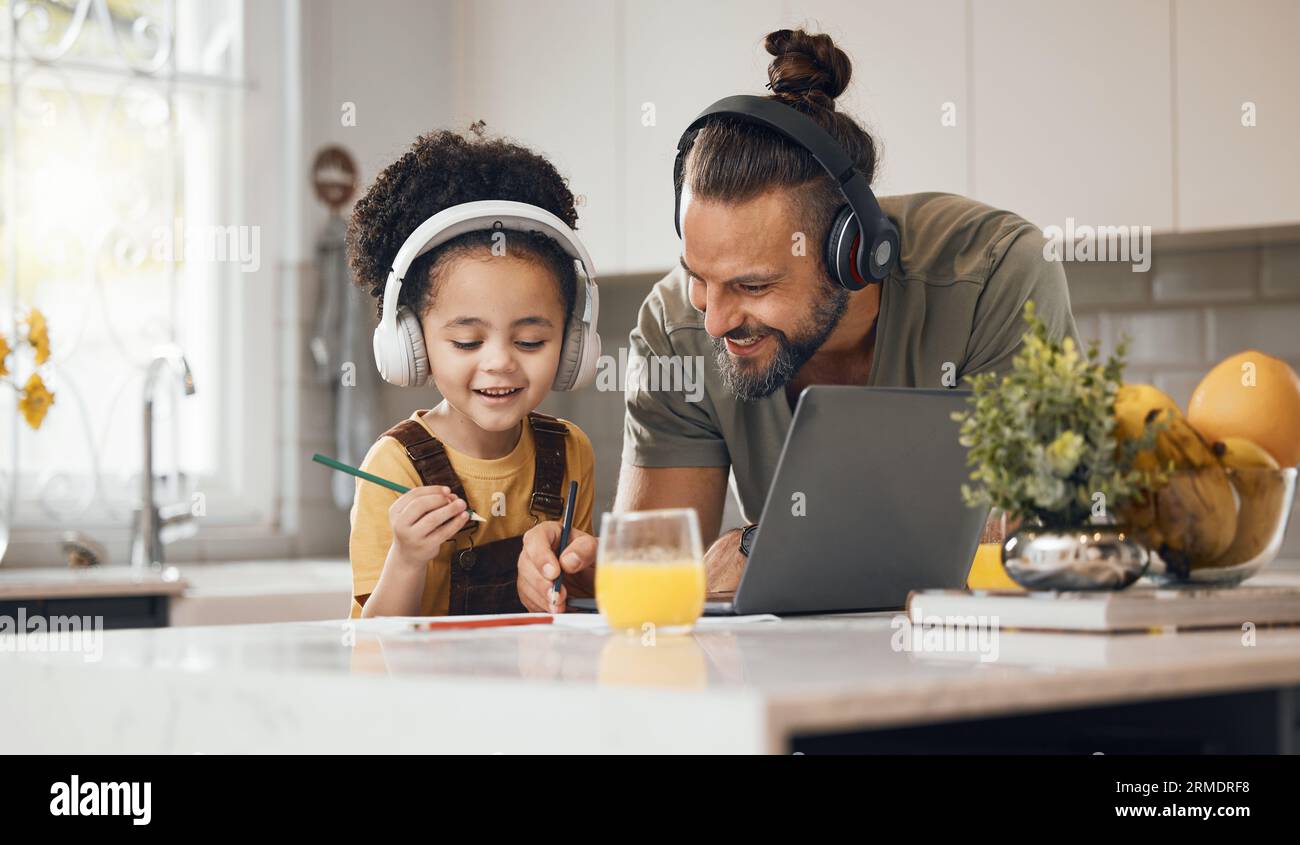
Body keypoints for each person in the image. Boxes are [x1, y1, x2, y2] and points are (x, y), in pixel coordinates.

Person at [516, 28, 1078, 611]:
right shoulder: (677, 325)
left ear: (852, 253)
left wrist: (761, 544)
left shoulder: (993, 275)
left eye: (753, 285)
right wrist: (584, 571)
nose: (715, 321)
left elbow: (1029, 535)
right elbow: (666, 574)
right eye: (698, 275)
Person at [346, 127, 597, 618]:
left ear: (572, 343)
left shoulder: (570, 453)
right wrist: (407, 558)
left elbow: (577, 613)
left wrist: (577, 577)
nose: (500, 361)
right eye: (467, 341)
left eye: (530, 341)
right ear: (412, 343)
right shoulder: (395, 467)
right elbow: (372, 652)